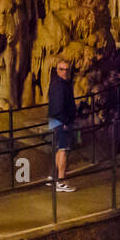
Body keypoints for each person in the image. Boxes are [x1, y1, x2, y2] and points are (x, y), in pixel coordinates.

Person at [47, 58, 77, 192]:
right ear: (56, 70)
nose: (65, 72)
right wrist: (65, 121)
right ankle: (61, 180)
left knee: (59, 149)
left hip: (58, 120)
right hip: (61, 121)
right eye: (61, 69)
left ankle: (54, 177)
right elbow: (58, 106)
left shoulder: (60, 83)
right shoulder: (59, 85)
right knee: (63, 150)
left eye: (66, 69)